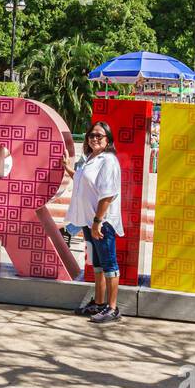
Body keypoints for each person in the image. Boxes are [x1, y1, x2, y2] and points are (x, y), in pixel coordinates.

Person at [61, 120, 123, 323]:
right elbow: (81, 179)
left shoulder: (108, 161)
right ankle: (98, 302)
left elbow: (108, 195)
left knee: (109, 263)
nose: (94, 138)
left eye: (99, 136)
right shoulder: (90, 158)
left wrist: (98, 221)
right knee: (97, 264)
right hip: (88, 221)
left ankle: (112, 308)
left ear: (108, 140)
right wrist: (68, 168)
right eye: (91, 135)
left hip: (101, 222)